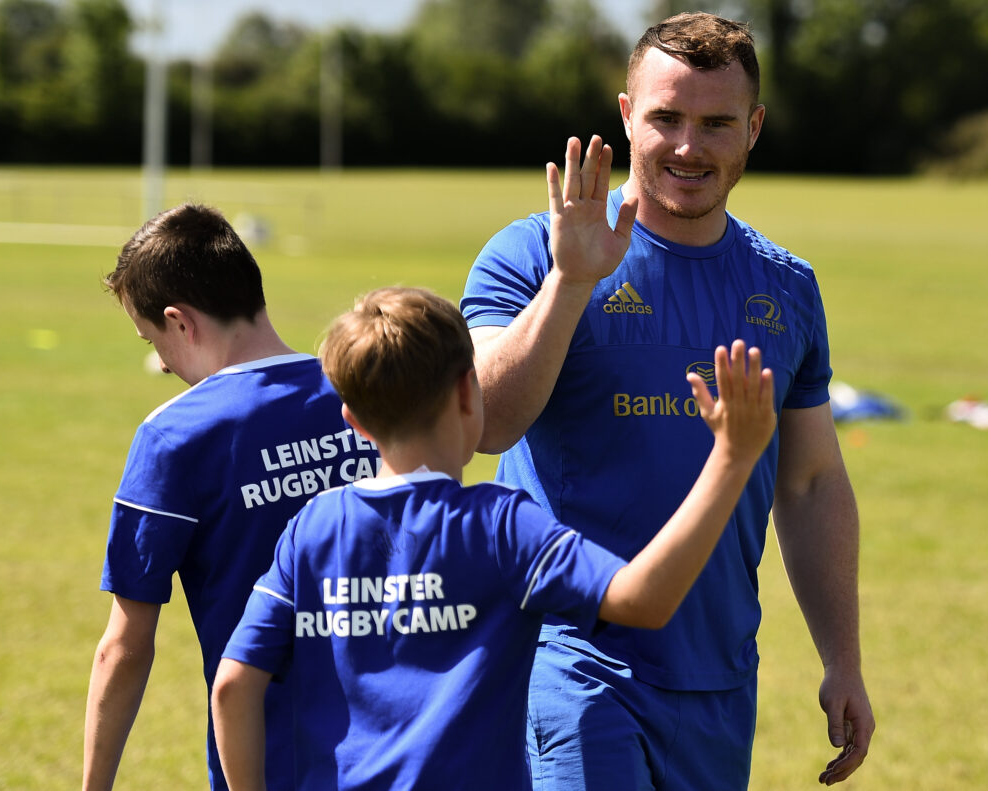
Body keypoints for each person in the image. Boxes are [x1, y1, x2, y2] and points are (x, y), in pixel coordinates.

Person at [460, 12, 874, 788]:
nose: (689, 146)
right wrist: (571, 282)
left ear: (753, 129)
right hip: (569, 660)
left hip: (717, 676)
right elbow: (485, 422)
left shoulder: (785, 284)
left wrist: (841, 657)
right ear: (625, 116)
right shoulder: (530, 252)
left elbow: (812, 480)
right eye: (666, 118)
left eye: (716, 122)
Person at [209, 286, 777, 791]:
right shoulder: (499, 525)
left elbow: (233, 685)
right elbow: (643, 600)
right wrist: (731, 458)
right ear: (467, 390)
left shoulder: (314, 526)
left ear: (353, 420)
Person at [82, 203, 380, 791]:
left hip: (267, 758)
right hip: (405, 742)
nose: (164, 365)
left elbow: (124, 645)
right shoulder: (366, 392)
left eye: (153, 341)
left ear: (181, 322)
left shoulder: (173, 436)